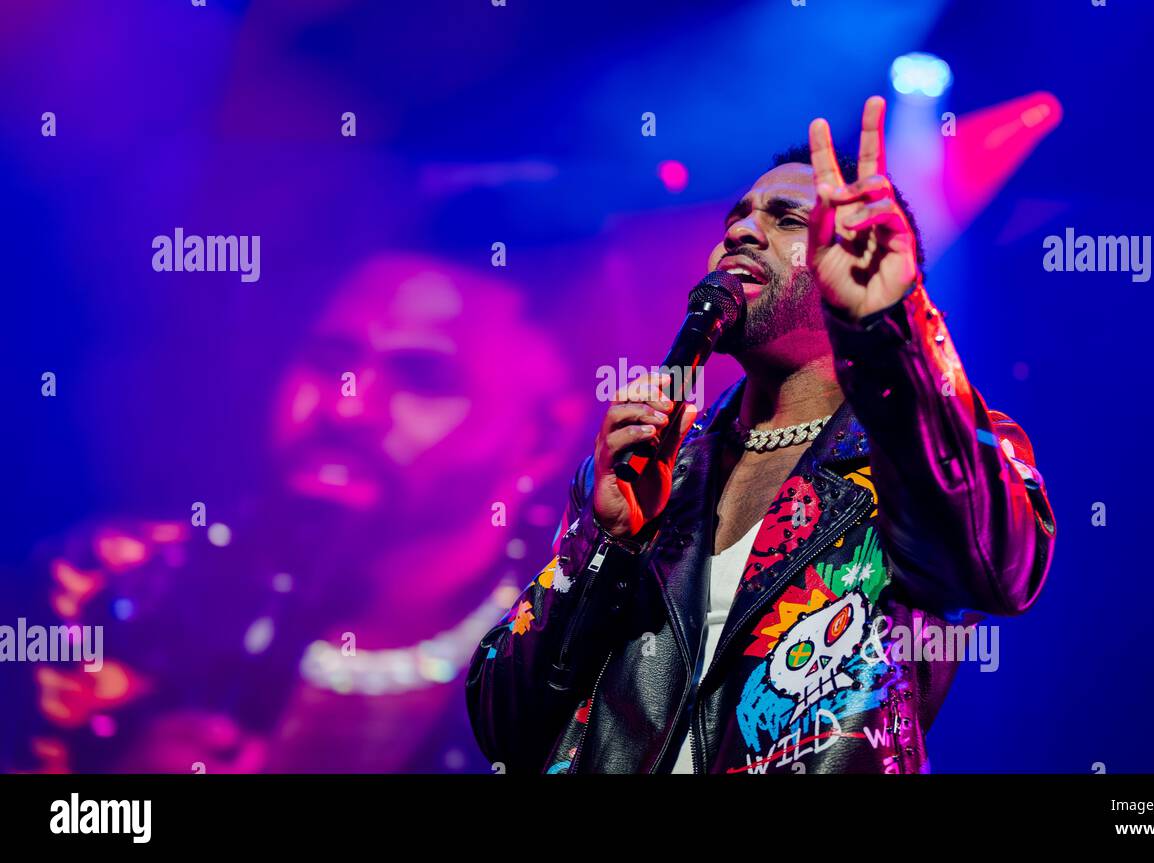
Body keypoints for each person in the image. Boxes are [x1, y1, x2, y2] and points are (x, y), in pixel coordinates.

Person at [467, 96, 1057, 774]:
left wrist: (893, 327)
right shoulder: (662, 464)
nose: (743, 233)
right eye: (736, 219)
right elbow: (503, 721)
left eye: (787, 219)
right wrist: (609, 542)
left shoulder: (925, 454)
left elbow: (999, 571)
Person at [24, 253, 583, 773]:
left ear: (545, 438)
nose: (346, 406)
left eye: (422, 377)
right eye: (329, 360)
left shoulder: (579, 664)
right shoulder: (107, 588)